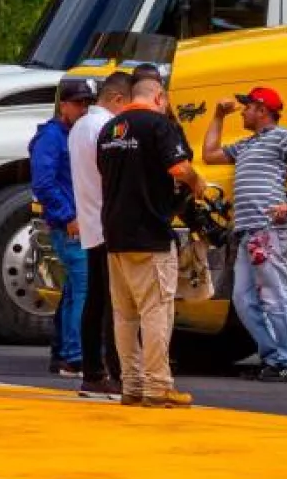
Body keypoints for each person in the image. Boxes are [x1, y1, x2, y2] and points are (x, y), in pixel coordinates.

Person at [98, 77, 206, 407]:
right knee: (156, 311)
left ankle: (131, 384)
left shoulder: (110, 130)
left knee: (124, 315)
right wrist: (197, 181)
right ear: (159, 97)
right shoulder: (159, 126)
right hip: (150, 234)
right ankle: (158, 386)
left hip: (114, 234)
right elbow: (178, 167)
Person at [202, 86, 287, 382]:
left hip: (268, 228)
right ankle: (274, 358)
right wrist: (217, 116)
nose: (242, 112)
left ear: (262, 110)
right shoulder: (245, 145)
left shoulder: (283, 136)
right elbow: (210, 154)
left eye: (247, 107)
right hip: (248, 231)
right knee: (243, 299)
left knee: (274, 295)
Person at [68, 71, 132, 399]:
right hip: (109, 222)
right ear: (118, 99)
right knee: (114, 304)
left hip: (92, 223)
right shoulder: (108, 128)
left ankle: (93, 372)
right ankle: (116, 373)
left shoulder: (80, 126)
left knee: (96, 302)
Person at [32, 78, 95, 378]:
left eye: (87, 103)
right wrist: (68, 215)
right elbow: (43, 184)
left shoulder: (69, 134)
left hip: (76, 222)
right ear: (63, 105)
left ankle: (66, 352)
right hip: (70, 225)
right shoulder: (52, 137)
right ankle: (75, 356)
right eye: (78, 103)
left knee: (74, 290)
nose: (84, 109)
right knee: (82, 289)